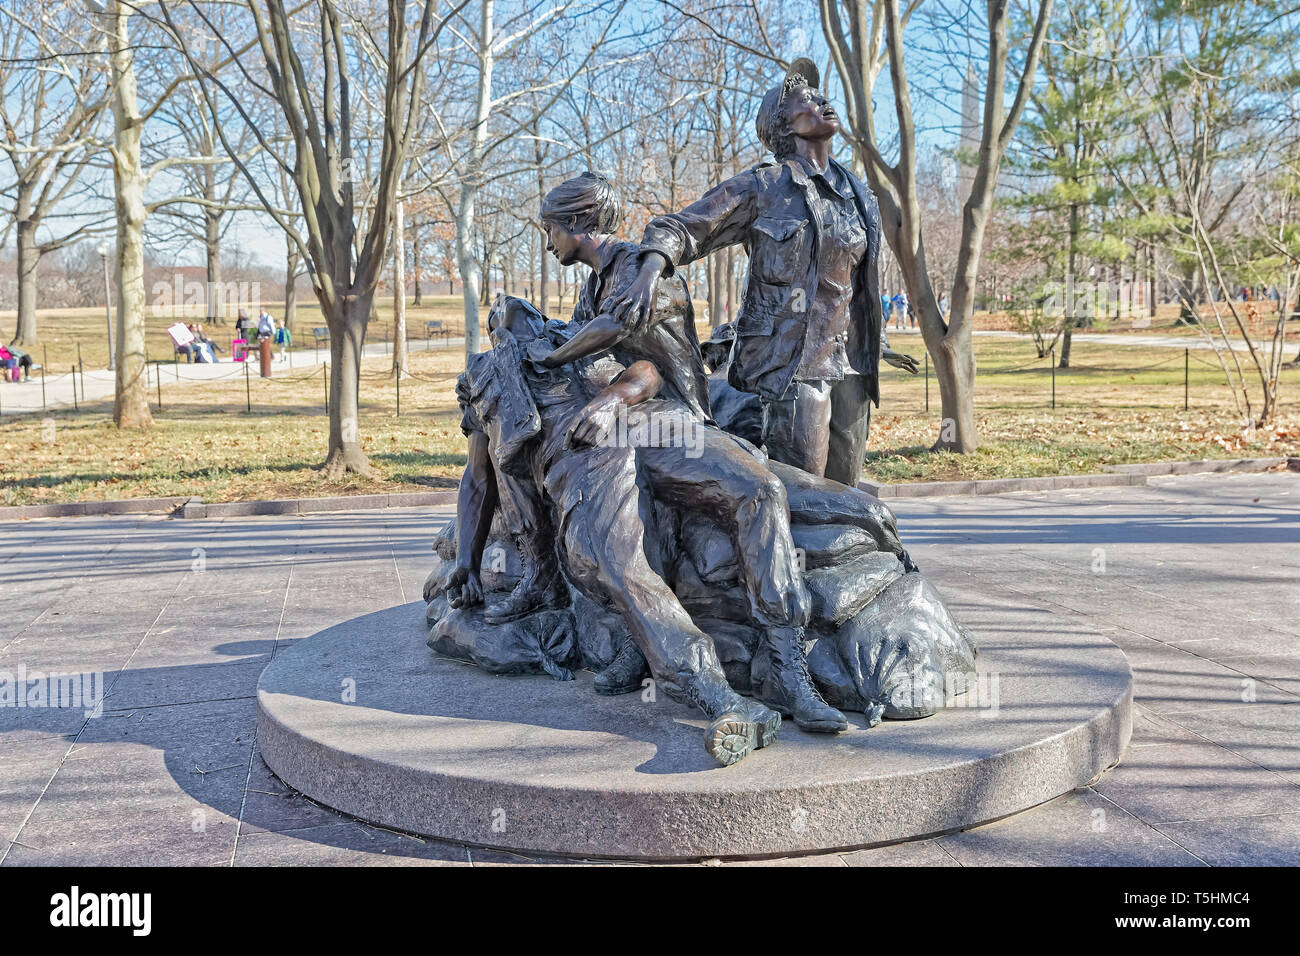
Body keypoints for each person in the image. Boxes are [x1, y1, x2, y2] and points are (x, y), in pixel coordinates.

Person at [611, 58, 895, 488]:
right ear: (784, 125)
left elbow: (857, 284)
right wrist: (649, 271)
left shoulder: (859, 195)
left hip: (851, 365)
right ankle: (791, 558)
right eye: (808, 100)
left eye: (821, 96)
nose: (823, 101)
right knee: (805, 491)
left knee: (846, 493)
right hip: (793, 364)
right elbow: (684, 228)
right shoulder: (765, 187)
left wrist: (879, 340)